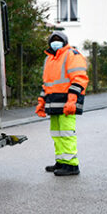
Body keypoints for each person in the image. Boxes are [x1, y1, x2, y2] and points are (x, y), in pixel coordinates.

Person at [35, 29, 89, 176]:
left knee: (66, 134)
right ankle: (61, 161)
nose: (55, 43)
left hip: (67, 103)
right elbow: (46, 84)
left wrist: (72, 100)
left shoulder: (72, 55)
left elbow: (79, 79)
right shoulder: (50, 59)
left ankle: (71, 165)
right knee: (57, 134)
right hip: (54, 103)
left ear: (65, 41)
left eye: (58, 40)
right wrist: (41, 103)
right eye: (52, 40)